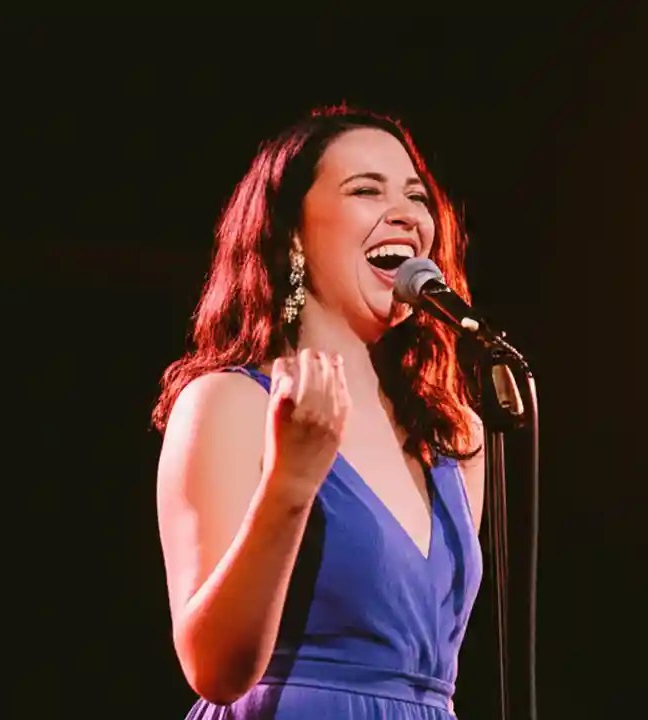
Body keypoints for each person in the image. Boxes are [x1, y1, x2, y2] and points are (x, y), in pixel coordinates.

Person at [151, 105, 486, 719]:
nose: (406, 215)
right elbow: (214, 669)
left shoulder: (453, 433)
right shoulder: (229, 403)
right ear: (293, 234)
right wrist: (290, 484)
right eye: (365, 190)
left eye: (416, 196)